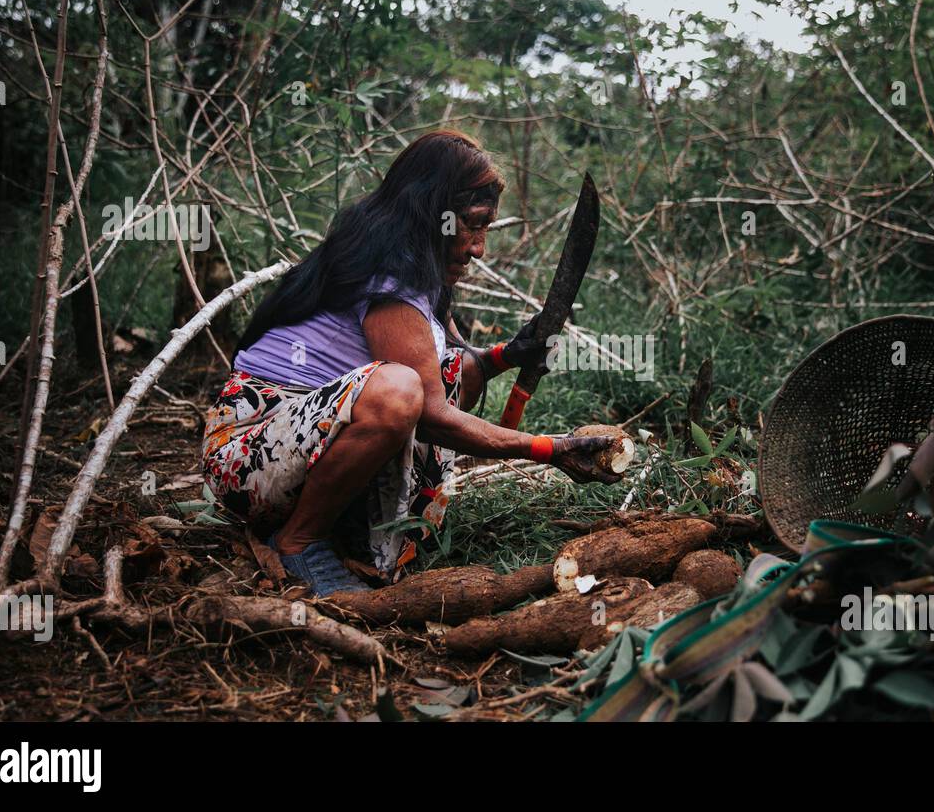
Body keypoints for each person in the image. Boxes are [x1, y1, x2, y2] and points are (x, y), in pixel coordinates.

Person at [199, 129, 619, 596]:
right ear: (432, 214)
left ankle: (338, 526)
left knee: (431, 377)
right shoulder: (389, 278)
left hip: (296, 448)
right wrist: (548, 449)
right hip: (247, 454)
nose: (479, 248)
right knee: (398, 391)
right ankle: (298, 540)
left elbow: (456, 372)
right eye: (472, 225)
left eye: (486, 229)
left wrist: (508, 355)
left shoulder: (422, 275)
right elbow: (433, 417)